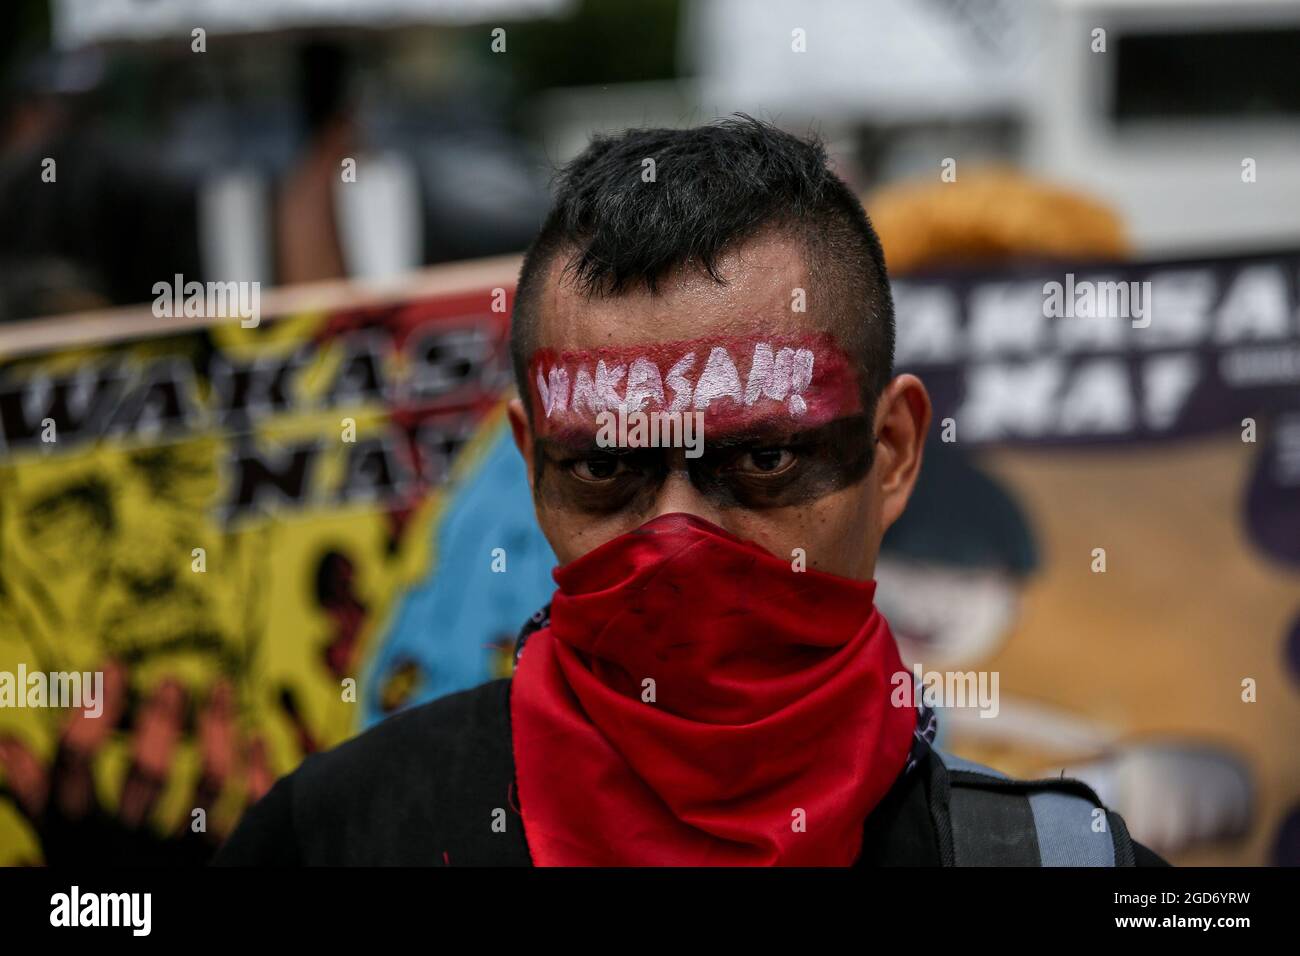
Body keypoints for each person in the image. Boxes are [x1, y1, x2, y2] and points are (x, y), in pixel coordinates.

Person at [214, 116, 1166, 866]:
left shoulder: (1059, 862)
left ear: (893, 453)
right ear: (532, 464)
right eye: (605, 468)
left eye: (761, 461)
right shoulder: (338, 835)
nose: (676, 535)